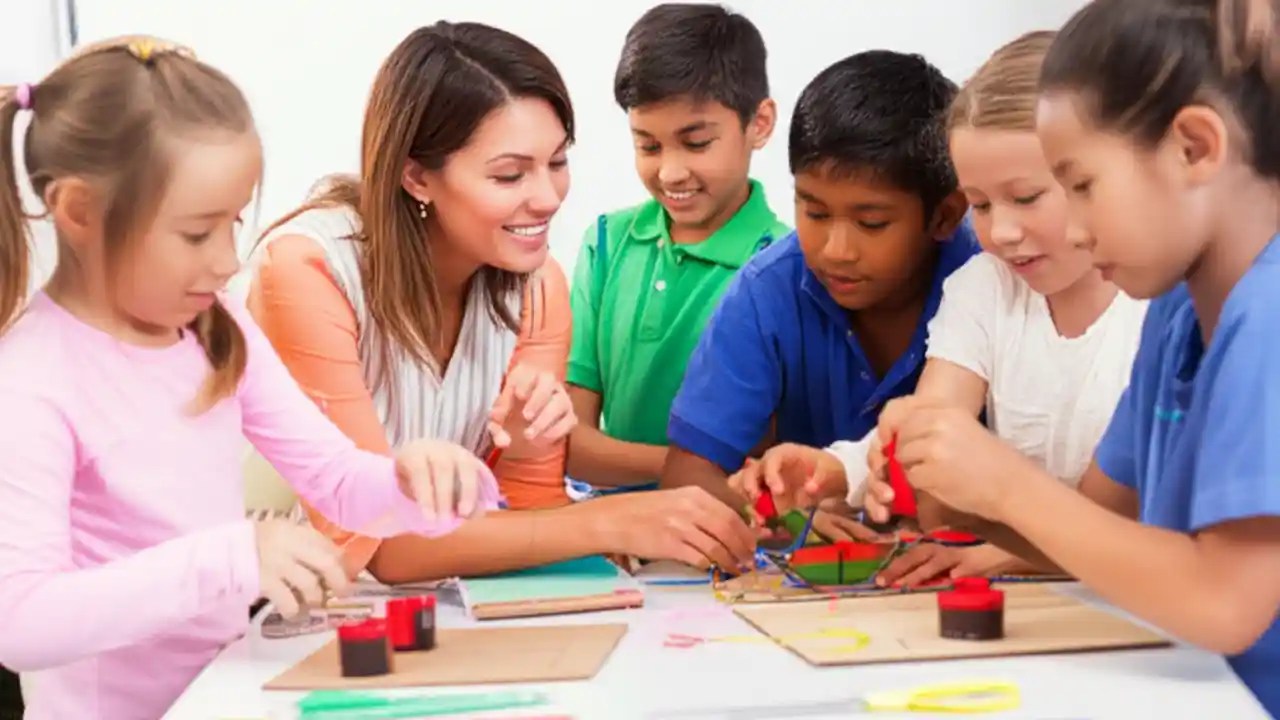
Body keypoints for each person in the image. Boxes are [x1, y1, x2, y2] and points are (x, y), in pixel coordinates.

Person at [0, 37, 494, 720]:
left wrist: (416, 482)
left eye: (233, 223)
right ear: (80, 212)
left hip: (223, 698)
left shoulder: (215, 324)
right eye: (197, 233)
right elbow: (22, 623)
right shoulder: (30, 381)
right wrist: (231, 559)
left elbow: (339, 482)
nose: (231, 260)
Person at [863, 0, 1280, 713]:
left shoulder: (1267, 315)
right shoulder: (1178, 314)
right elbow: (1093, 532)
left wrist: (1002, 482)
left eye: (1078, 186)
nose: (1077, 232)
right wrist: (950, 483)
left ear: (1195, 147)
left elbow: (1224, 602)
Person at [248, 22, 757, 583]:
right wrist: (612, 519)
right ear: (416, 175)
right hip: (307, 603)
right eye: (510, 174)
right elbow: (381, 540)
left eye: (557, 163)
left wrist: (519, 455)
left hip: (456, 606)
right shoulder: (310, 271)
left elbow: (530, 506)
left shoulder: (537, 286)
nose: (547, 199)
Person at [732, 31, 1148, 587]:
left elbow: (1124, 522)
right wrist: (838, 469)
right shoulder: (984, 286)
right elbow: (929, 431)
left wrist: (1003, 551)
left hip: (1137, 597)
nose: (1000, 231)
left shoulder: (1158, 309)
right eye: (980, 203)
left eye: (1026, 198)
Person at [661, 50, 979, 526]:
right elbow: (687, 478)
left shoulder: (990, 283)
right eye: (814, 212)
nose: (835, 249)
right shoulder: (766, 292)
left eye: (871, 223)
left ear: (944, 216)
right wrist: (792, 525)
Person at [563, 3, 789, 501]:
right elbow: (570, 444)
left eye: (697, 143)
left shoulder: (784, 265)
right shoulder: (605, 242)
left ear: (761, 123)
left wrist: (694, 482)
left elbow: (771, 459)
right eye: (648, 146)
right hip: (614, 533)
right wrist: (699, 474)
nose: (670, 173)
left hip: (728, 535)